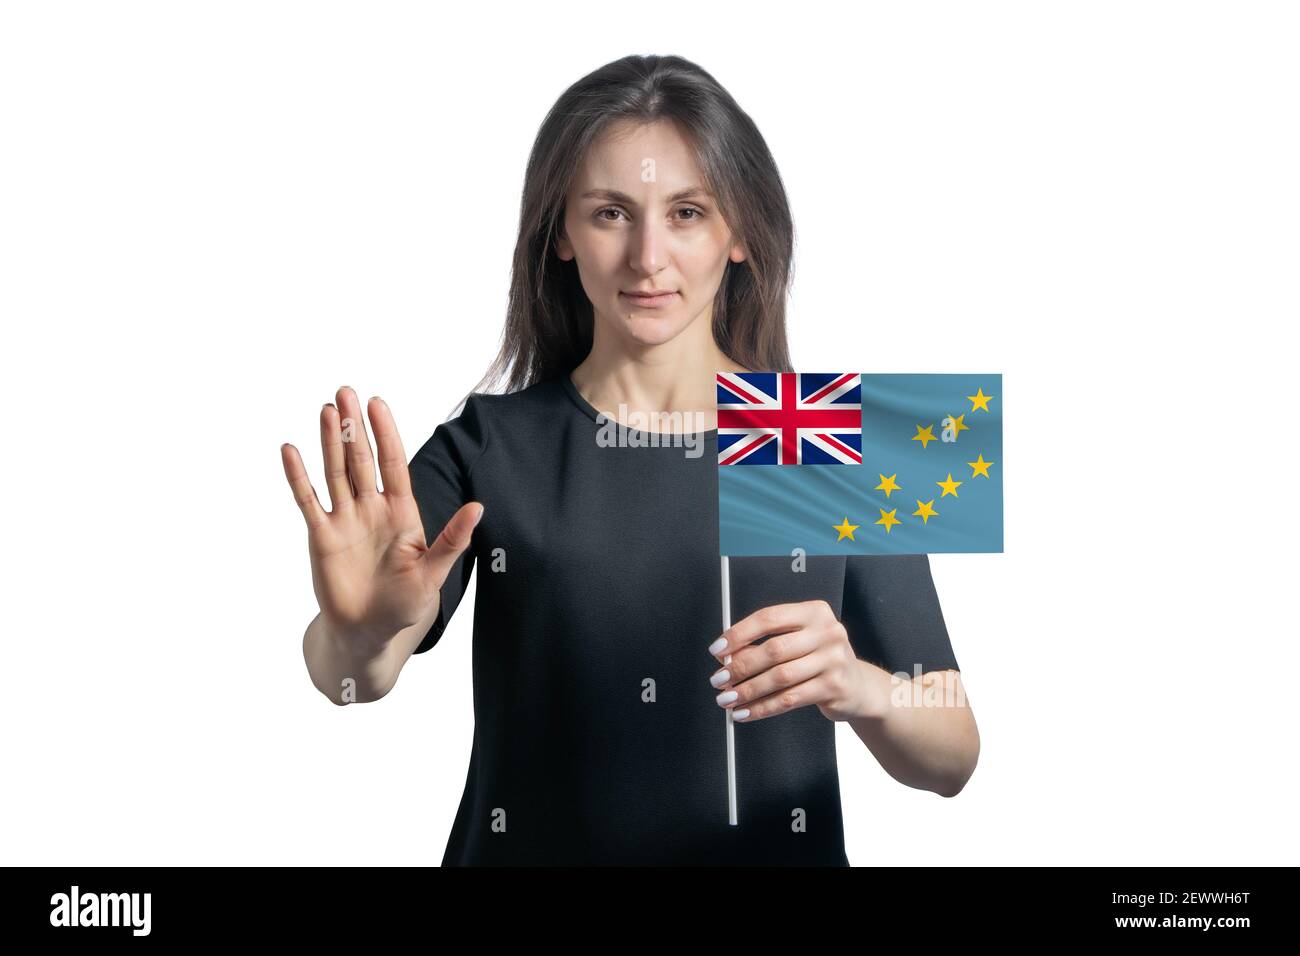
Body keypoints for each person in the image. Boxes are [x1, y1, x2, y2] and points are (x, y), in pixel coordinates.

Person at [280, 54, 979, 866]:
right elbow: (352, 679)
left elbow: (955, 755)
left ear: (742, 232)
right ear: (562, 237)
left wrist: (864, 687)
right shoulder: (491, 444)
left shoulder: (824, 431)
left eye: (687, 212)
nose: (648, 257)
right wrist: (357, 631)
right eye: (611, 213)